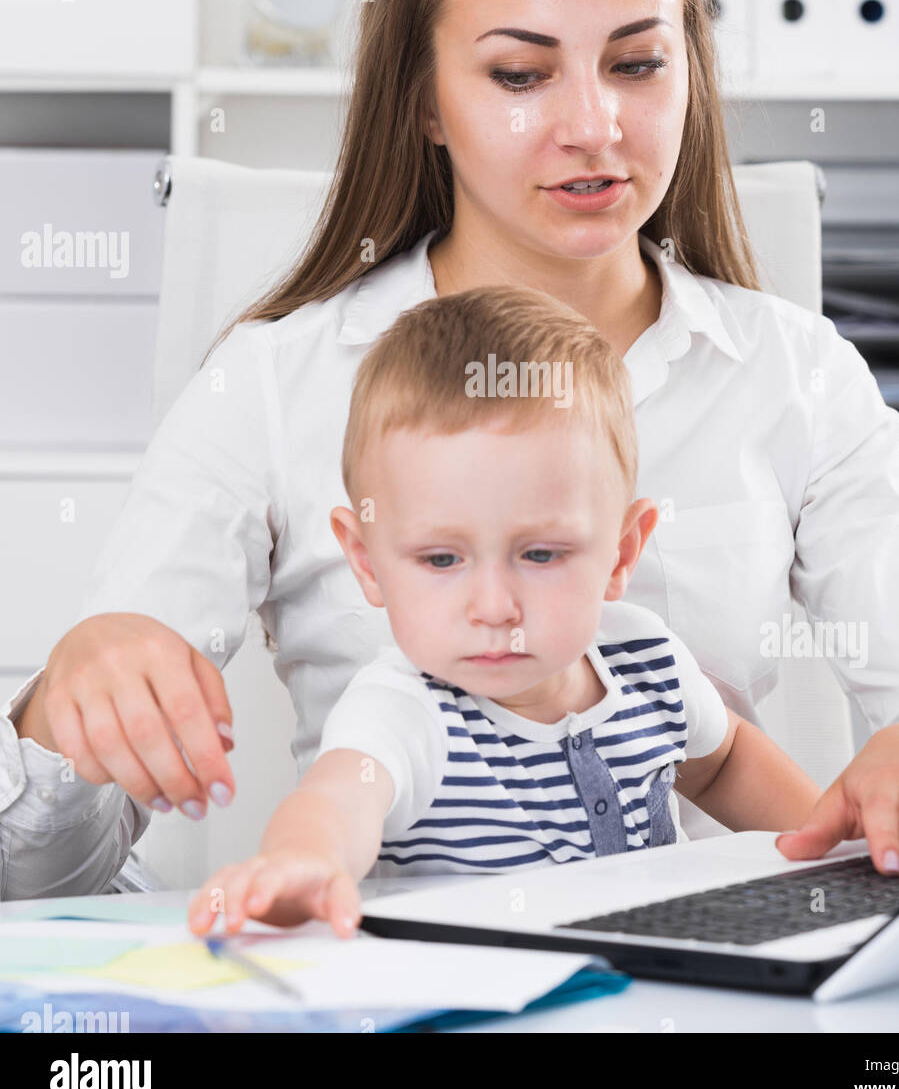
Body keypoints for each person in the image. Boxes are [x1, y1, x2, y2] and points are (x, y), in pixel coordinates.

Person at [2, 0, 899, 903]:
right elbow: (38, 879)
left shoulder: (796, 373)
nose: (594, 126)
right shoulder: (269, 385)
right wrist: (64, 724)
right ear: (423, 102)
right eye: (518, 74)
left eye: (638, 64)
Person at [188, 286, 823, 938]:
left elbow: (723, 762)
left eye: (541, 554)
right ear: (367, 561)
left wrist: (835, 849)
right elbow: (337, 798)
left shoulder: (649, 659)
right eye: (440, 560)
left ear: (621, 551)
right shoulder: (405, 710)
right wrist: (303, 861)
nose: (494, 608)